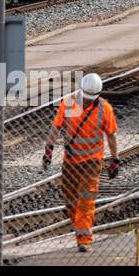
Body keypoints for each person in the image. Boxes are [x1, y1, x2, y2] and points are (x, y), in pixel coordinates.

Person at [43, 73, 120, 254]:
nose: (86, 101)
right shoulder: (69, 103)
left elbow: (111, 135)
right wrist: (48, 149)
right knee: (70, 199)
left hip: (92, 162)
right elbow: (56, 127)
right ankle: (80, 230)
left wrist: (115, 158)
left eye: (89, 98)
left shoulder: (104, 108)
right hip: (71, 161)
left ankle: (84, 240)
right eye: (84, 97)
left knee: (85, 200)